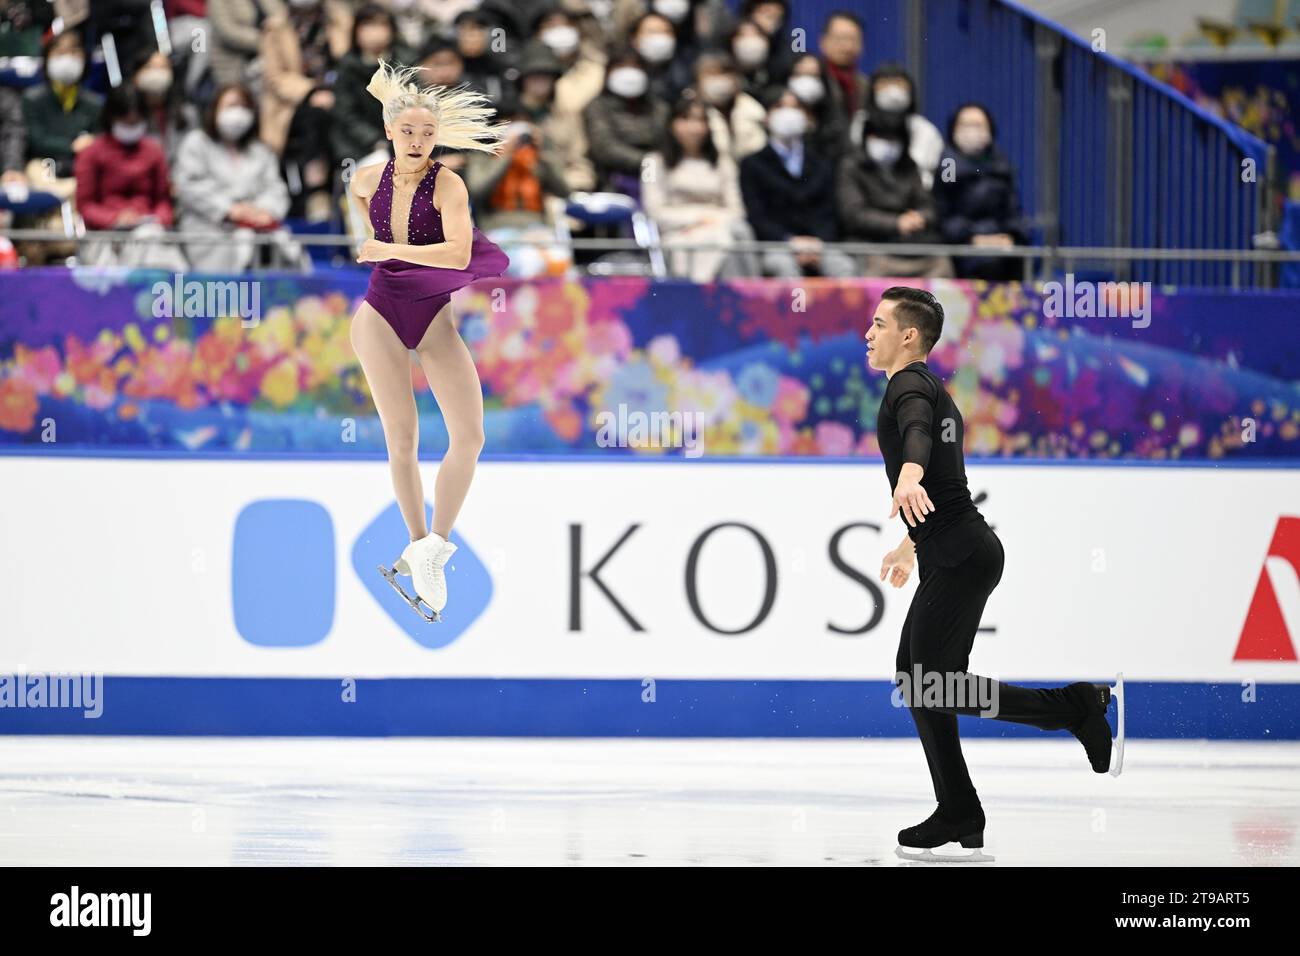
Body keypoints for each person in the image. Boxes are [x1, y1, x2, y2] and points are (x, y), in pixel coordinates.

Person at [867, 285, 1123, 861]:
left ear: (909, 337)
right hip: (956, 549)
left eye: (880, 324)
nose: (869, 333)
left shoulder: (909, 386)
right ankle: (960, 806)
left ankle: (1074, 707)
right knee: (923, 682)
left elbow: (917, 435)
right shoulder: (933, 389)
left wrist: (908, 472)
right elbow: (947, 480)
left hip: (961, 556)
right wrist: (912, 542)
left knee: (927, 684)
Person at [348, 60, 511, 622]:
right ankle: (417, 543)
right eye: (408, 131)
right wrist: (389, 254)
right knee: (404, 439)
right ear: (391, 132)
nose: (418, 141)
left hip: (433, 318)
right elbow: (373, 244)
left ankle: (435, 548)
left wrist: (391, 251)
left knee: (470, 435)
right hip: (380, 316)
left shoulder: (450, 184)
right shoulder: (364, 181)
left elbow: (459, 255)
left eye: (427, 133)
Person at [739, 89, 855, 278]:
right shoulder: (753, 164)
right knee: (785, 269)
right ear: (766, 117)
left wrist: (816, 243)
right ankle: (796, 310)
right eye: (780, 107)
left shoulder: (822, 162)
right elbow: (757, 215)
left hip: (818, 245)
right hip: (776, 245)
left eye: (795, 107)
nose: (788, 113)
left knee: (843, 267)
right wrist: (791, 242)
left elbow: (830, 211)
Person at [642, 97, 755, 281]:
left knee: (733, 235)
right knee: (720, 241)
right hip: (678, 233)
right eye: (686, 119)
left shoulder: (723, 162)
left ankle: (742, 299)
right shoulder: (651, 162)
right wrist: (700, 219)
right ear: (671, 123)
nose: (694, 127)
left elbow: (737, 210)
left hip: (720, 227)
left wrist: (710, 222)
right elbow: (654, 211)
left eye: (700, 120)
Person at [838, 110, 952, 278]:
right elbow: (854, 214)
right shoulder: (851, 167)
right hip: (871, 246)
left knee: (942, 264)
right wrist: (896, 223)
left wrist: (920, 217)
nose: (886, 144)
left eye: (893, 139)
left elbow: (927, 205)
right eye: (879, 138)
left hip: (911, 244)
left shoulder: (909, 166)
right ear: (866, 138)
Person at [933, 103, 1029, 281]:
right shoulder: (949, 165)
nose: (972, 131)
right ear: (954, 130)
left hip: (999, 241)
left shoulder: (1001, 163)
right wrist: (972, 237)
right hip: (963, 245)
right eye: (966, 125)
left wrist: (1012, 236)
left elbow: (1013, 211)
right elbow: (944, 213)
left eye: (978, 126)